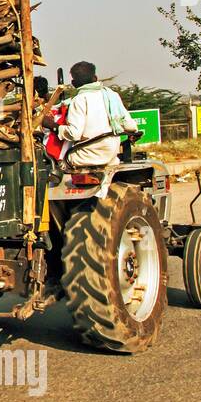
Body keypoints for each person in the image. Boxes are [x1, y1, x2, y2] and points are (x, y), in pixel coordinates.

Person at [39, 61, 140, 290]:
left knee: (54, 161)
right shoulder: (111, 96)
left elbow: (73, 133)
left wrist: (53, 126)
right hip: (109, 154)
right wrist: (131, 134)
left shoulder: (78, 100)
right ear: (95, 77)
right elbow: (130, 125)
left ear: (73, 82)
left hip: (83, 157)